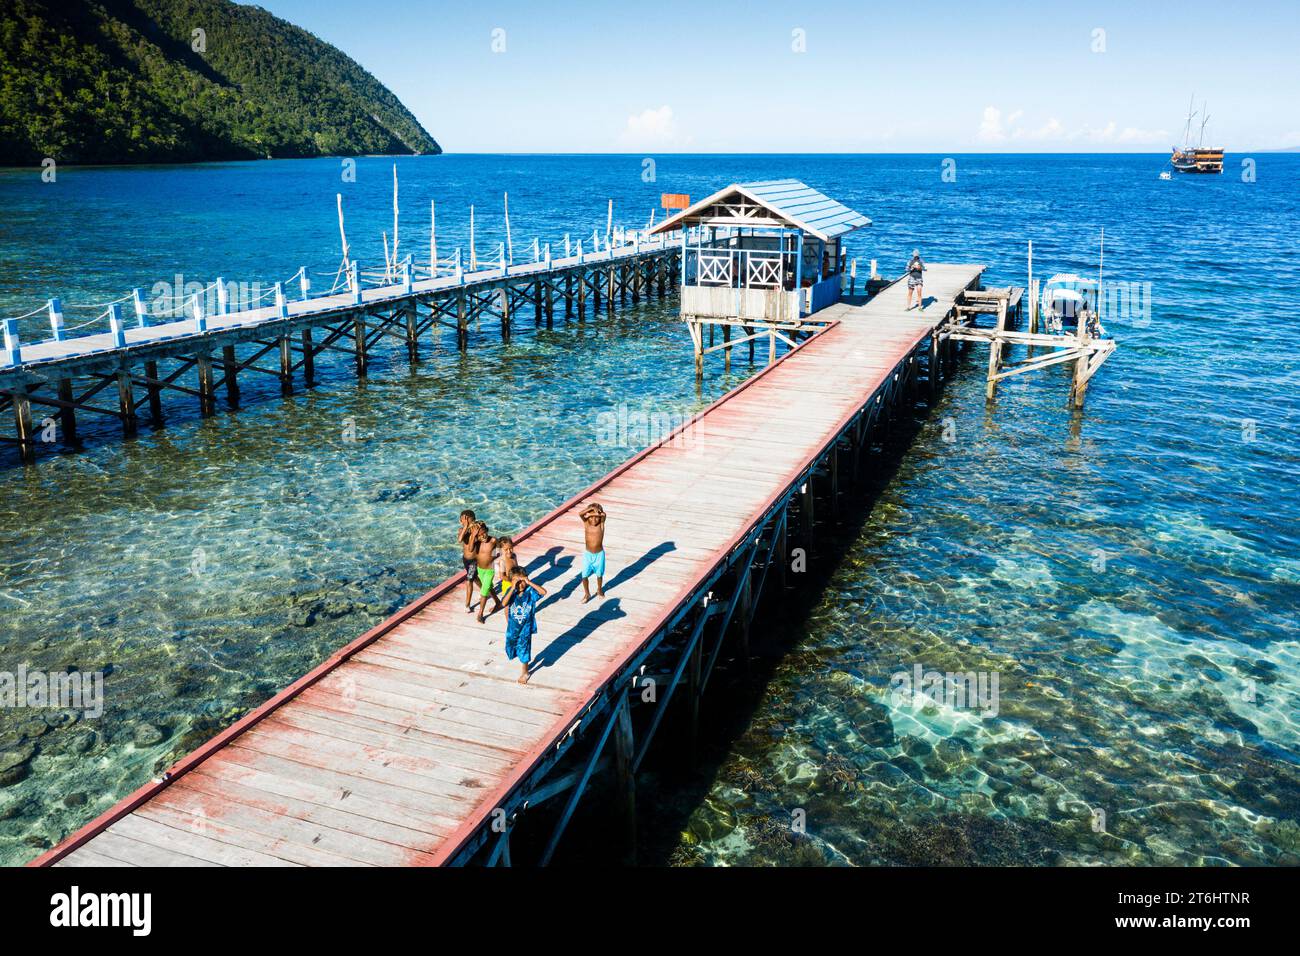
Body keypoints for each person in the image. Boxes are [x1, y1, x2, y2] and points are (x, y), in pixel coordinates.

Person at [503, 566, 547, 684]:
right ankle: (523, 661)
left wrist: (529, 582)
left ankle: (525, 671)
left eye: (522, 581)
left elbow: (543, 592)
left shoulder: (530, 592)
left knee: (524, 647)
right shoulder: (511, 592)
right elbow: (504, 604)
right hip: (513, 627)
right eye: (517, 582)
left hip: (525, 627)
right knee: (510, 646)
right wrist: (512, 588)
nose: (520, 584)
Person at [473, 521, 502, 623]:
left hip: (490, 569)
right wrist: (474, 535)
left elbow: (499, 549)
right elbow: (469, 547)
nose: (482, 536)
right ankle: (498, 603)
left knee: (484, 591)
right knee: (488, 587)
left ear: (487, 530)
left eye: (484, 533)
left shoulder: (493, 540)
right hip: (480, 569)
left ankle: (480, 614)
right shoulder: (476, 542)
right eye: (479, 535)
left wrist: (494, 556)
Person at [579, 502, 607, 603]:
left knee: (599, 574)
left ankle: (599, 589)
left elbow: (603, 515)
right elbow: (580, 514)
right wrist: (591, 511)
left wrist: (592, 512)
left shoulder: (601, 525)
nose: (594, 519)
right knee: (584, 575)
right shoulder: (586, 523)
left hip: (599, 555)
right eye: (591, 517)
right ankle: (587, 593)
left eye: (596, 517)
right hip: (588, 555)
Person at [458, 510, 479, 612]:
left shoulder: (476, 529)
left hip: (474, 560)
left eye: (466, 520)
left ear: (472, 520)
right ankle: (487, 590)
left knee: (469, 580)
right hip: (465, 559)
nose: (464, 521)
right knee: (474, 578)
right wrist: (465, 527)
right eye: (463, 520)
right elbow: (460, 539)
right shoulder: (461, 529)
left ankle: (467, 605)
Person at [494, 536, 519, 603]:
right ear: (500, 550)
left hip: (516, 580)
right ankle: (499, 606)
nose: (509, 551)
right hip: (508, 583)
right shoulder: (503, 561)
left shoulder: (514, 556)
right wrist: (512, 581)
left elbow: (517, 567)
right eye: (506, 549)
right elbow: (502, 576)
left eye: (511, 548)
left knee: (517, 599)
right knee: (507, 602)